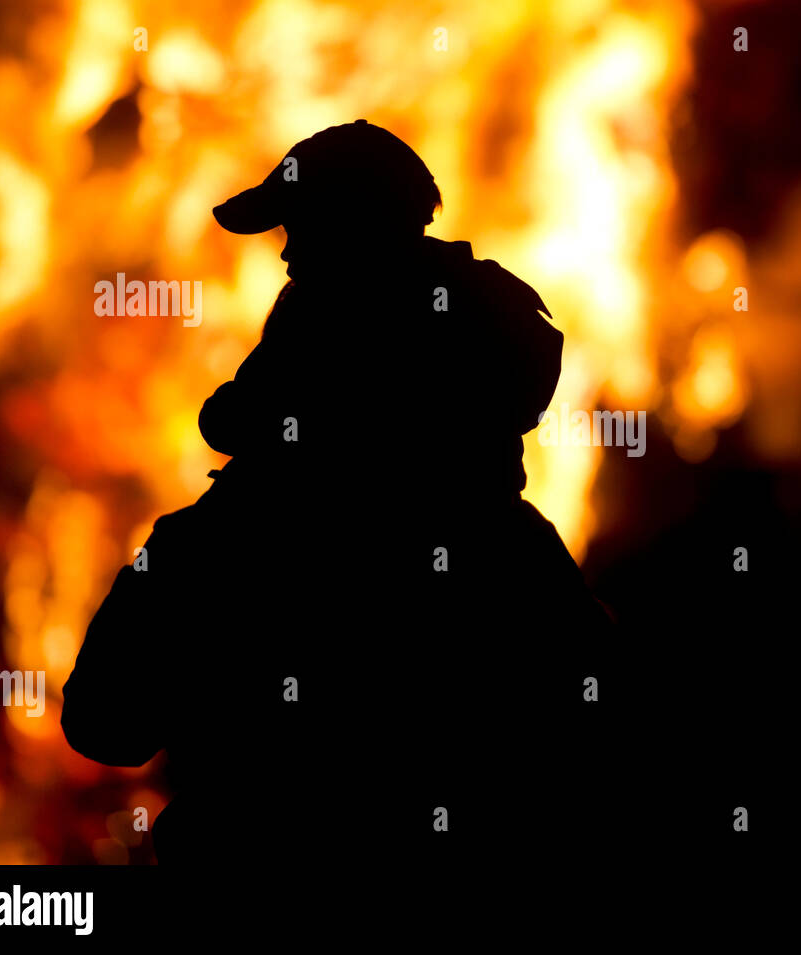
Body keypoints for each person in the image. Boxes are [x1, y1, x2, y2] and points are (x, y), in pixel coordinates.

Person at [62, 121, 611, 866]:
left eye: (302, 232)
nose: (287, 256)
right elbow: (611, 757)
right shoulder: (520, 554)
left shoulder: (233, 541)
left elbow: (106, 720)